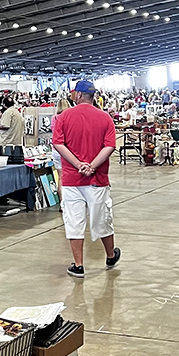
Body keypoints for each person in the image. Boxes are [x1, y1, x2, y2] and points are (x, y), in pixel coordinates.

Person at [52, 79, 120, 277]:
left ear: (79, 95)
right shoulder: (105, 118)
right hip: (97, 179)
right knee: (102, 219)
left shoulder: (64, 116)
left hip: (73, 179)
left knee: (74, 220)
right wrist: (92, 165)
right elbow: (110, 146)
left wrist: (78, 164)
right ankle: (109, 256)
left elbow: (58, 144)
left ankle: (78, 264)